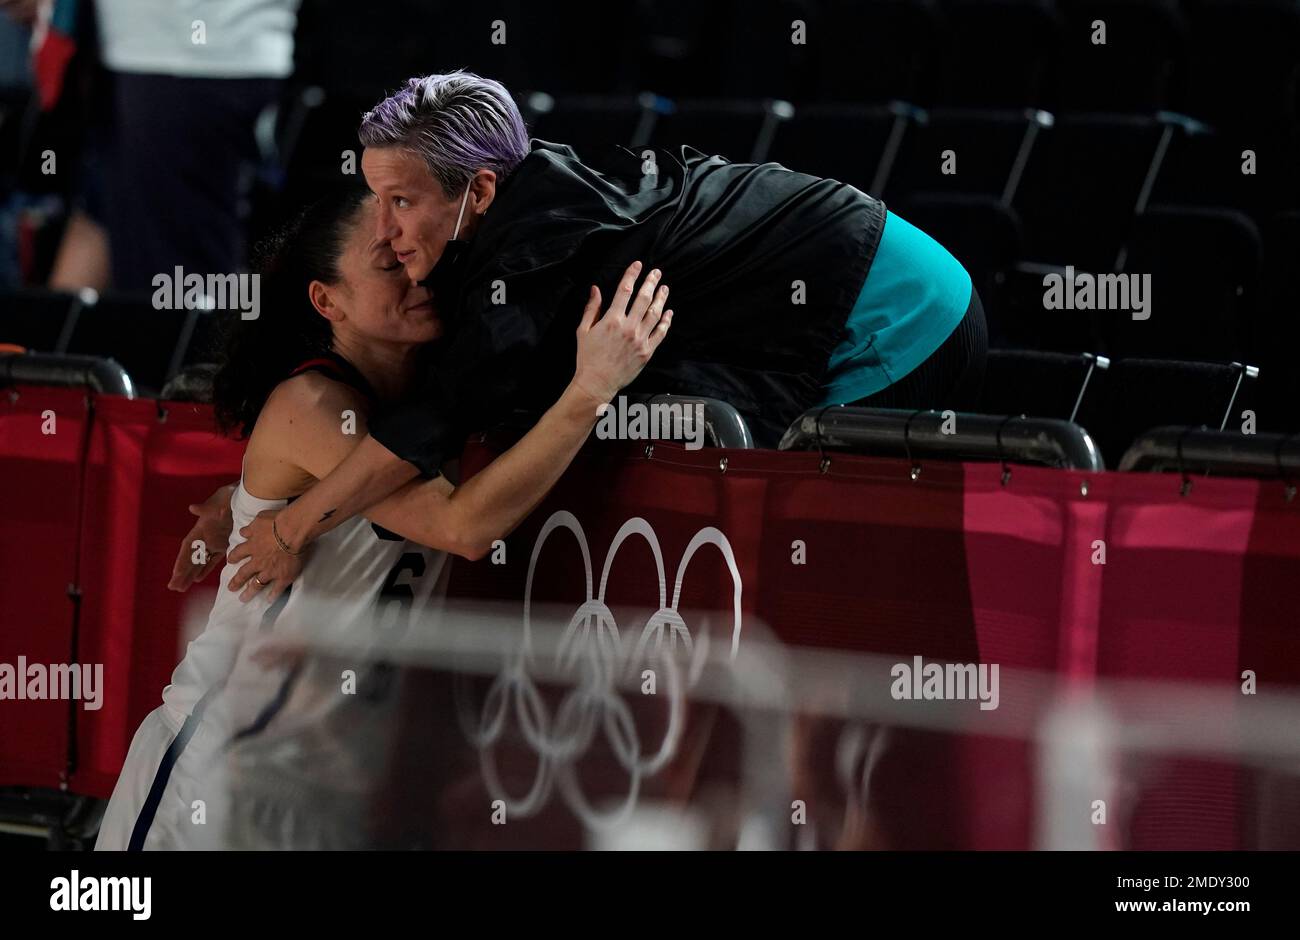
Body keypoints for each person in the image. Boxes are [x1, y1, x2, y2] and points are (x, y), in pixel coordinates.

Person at [224, 70, 985, 602]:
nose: (384, 235)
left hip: (900, 308)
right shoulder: (512, 219)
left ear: (479, 191)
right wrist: (247, 494)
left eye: (399, 201)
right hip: (864, 282)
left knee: (816, 585)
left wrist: (285, 525)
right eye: (374, 200)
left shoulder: (525, 255)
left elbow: (429, 427)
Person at [96, 183, 673, 849]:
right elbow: (462, 528)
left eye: (415, 253)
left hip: (329, 790)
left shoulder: (438, 396)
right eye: (388, 264)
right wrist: (592, 391)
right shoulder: (309, 403)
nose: (415, 271)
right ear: (327, 301)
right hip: (217, 766)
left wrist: (238, 500)